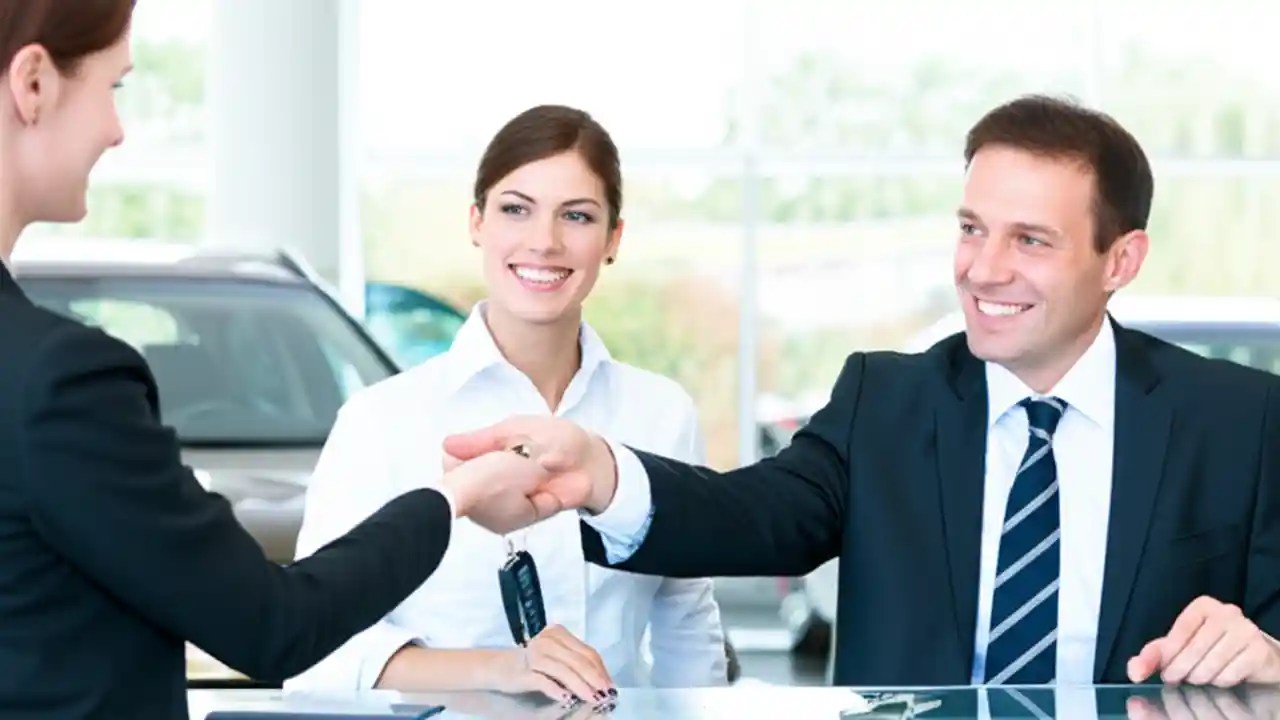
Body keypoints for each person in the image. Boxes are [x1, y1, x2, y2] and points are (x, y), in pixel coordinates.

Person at [446, 95, 1280, 689]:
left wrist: (1273, 656)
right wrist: (603, 473)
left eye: (1030, 240)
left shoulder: (1241, 422)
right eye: (970, 229)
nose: (984, 269)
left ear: (1120, 261)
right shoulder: (885, 401)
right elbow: (751, 517)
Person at [0, 2, 553, 718]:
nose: (116, 128)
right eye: (115, 88)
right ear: (34, 83)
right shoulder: (56, 380)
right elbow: (273, 625)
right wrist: (458, 495)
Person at [284, 105, 728, 706]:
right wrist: (501, 667)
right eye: (516, 209)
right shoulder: (380, 422)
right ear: (477, 222)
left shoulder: (662, 413)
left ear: (614, 238)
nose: (544, 242)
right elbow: (315, 650)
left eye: (577, 216)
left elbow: (686, 626)